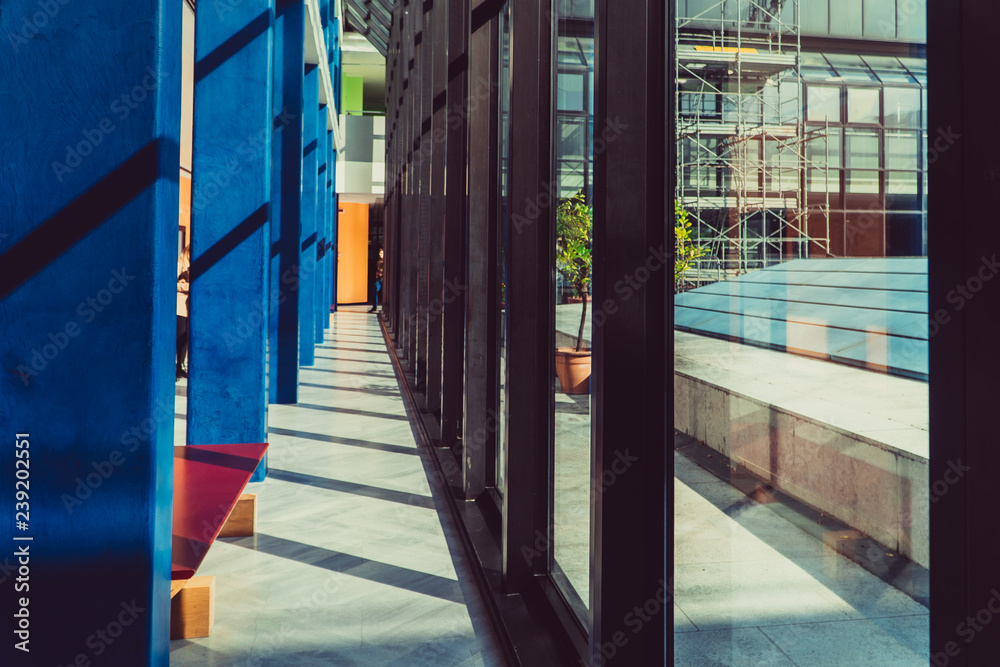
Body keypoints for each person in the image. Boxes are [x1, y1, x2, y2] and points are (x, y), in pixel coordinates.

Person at [177, 244, 191, 380]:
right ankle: (177, 367)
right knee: (179, 337)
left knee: (185, 339)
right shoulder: (180, 265)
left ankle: (181, 366)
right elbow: (171, 284)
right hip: (180, 307)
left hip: (189, 308)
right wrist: (187, 286)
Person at [369, 247, 384, 313]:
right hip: (379, 279)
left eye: (381, 253)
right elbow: (377, 269)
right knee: (375, 289)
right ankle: (374, 307)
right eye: (379, 253)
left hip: (385, 279)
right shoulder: (379, 261)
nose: (380, 254)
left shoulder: (387, 261)